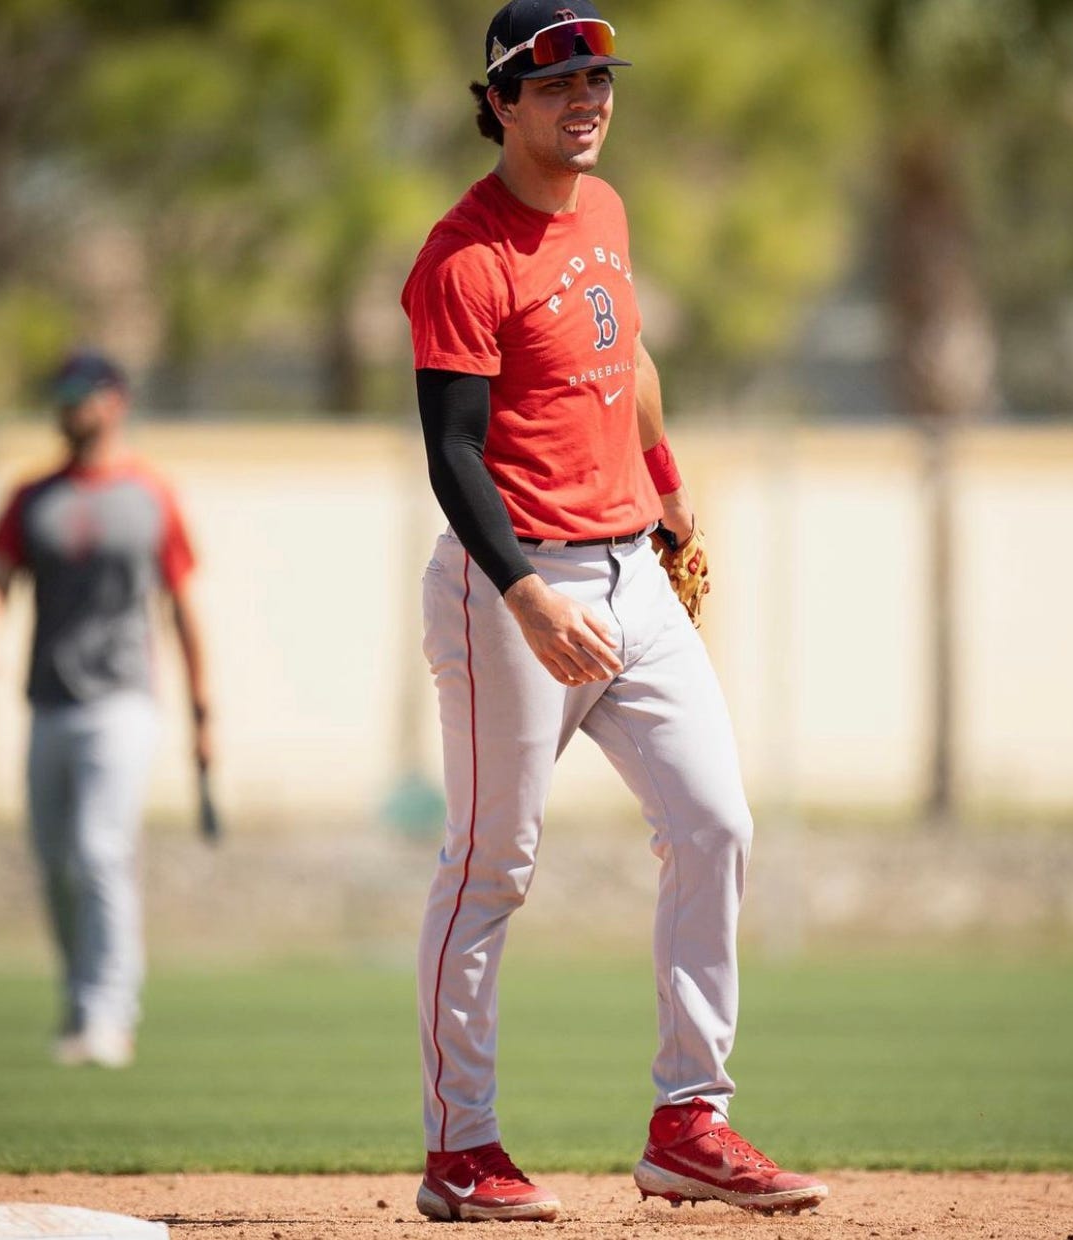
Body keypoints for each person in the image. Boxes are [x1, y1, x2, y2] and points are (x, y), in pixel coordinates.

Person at [400, 0, 828, 1222]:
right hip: (510, 583)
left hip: (633, 571)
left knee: (716, 823)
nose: (586, 99)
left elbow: (626, 361)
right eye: (556, 84)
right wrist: (525, 595)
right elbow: (453, 452)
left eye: (598, 78)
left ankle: (690, 1120)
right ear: (497, 103)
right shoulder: (462, 255)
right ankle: (461, 1149)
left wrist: (673, 491)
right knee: (492, 867)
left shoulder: (606, 208)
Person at [0, 348, 212, 1069]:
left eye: (81, 394)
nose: (68, 407)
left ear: (116, 400)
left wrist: (204, 712)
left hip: (123, 700)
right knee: (55, 862)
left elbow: (184, 603)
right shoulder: (31, 497)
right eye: (61, 394)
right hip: (48, 701)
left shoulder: (149, 495)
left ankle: (110, 1012)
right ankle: (79, 999)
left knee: (101, 850)